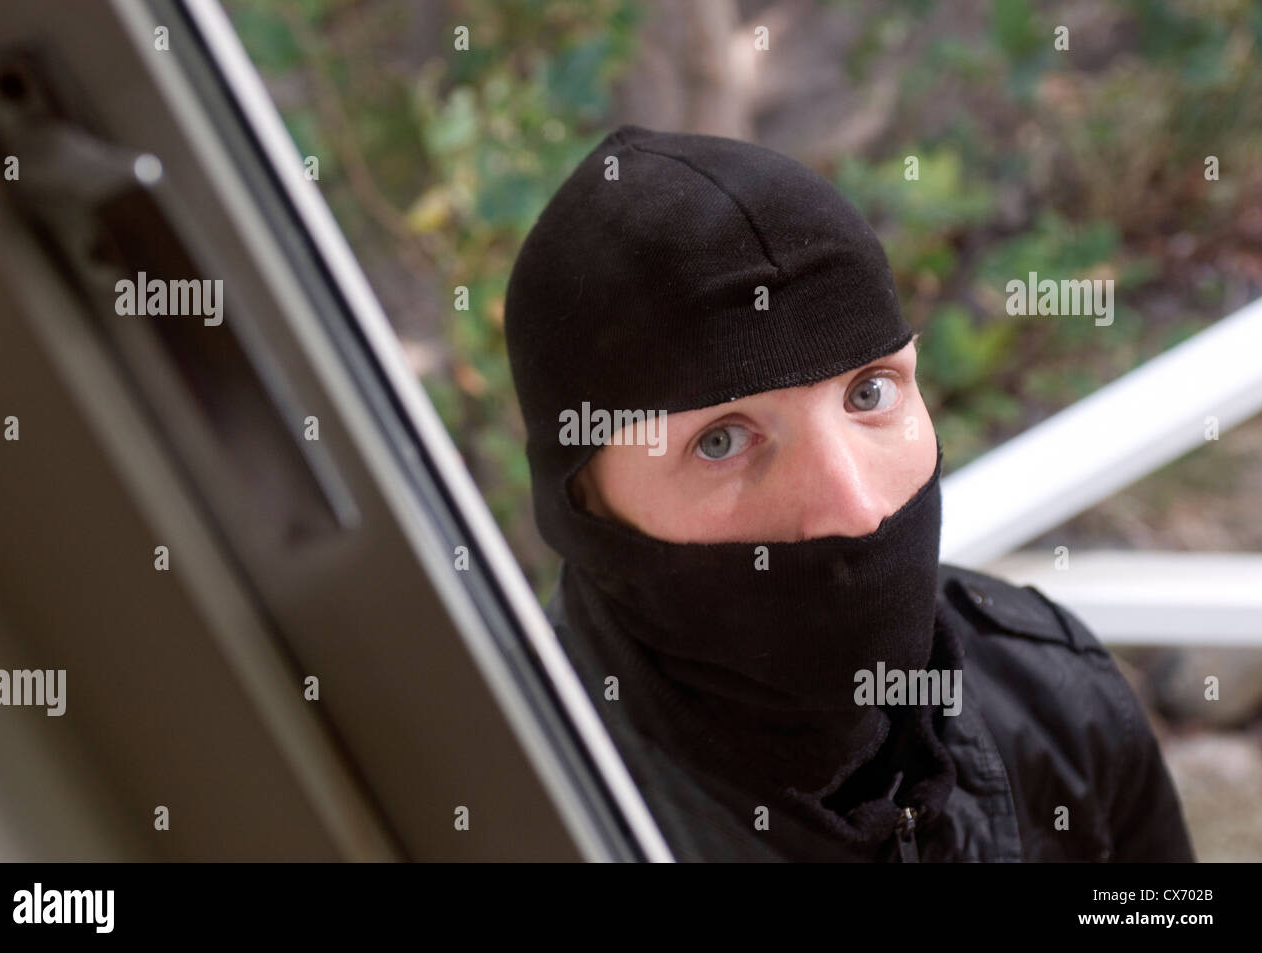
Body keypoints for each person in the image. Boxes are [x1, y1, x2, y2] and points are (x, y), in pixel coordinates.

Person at [503, 123, 1195, 862]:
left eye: (870, 391)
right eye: (721, 441)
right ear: (587, 507)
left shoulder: (1058, 698)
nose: (858, 509)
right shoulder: (521, 807)